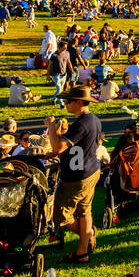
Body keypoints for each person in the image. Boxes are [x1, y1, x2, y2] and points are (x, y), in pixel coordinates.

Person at [47, 84, 104, 264]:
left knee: (60, 218)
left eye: (69, 100)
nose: (66, 104)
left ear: (80, 102)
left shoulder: (82, 123)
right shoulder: (92, 119)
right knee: (84, 211)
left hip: (77, 178)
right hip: (90, 171)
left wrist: (50, 127)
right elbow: (79, 147)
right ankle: (82, 253)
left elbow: (58, 146)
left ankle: (88, 235)